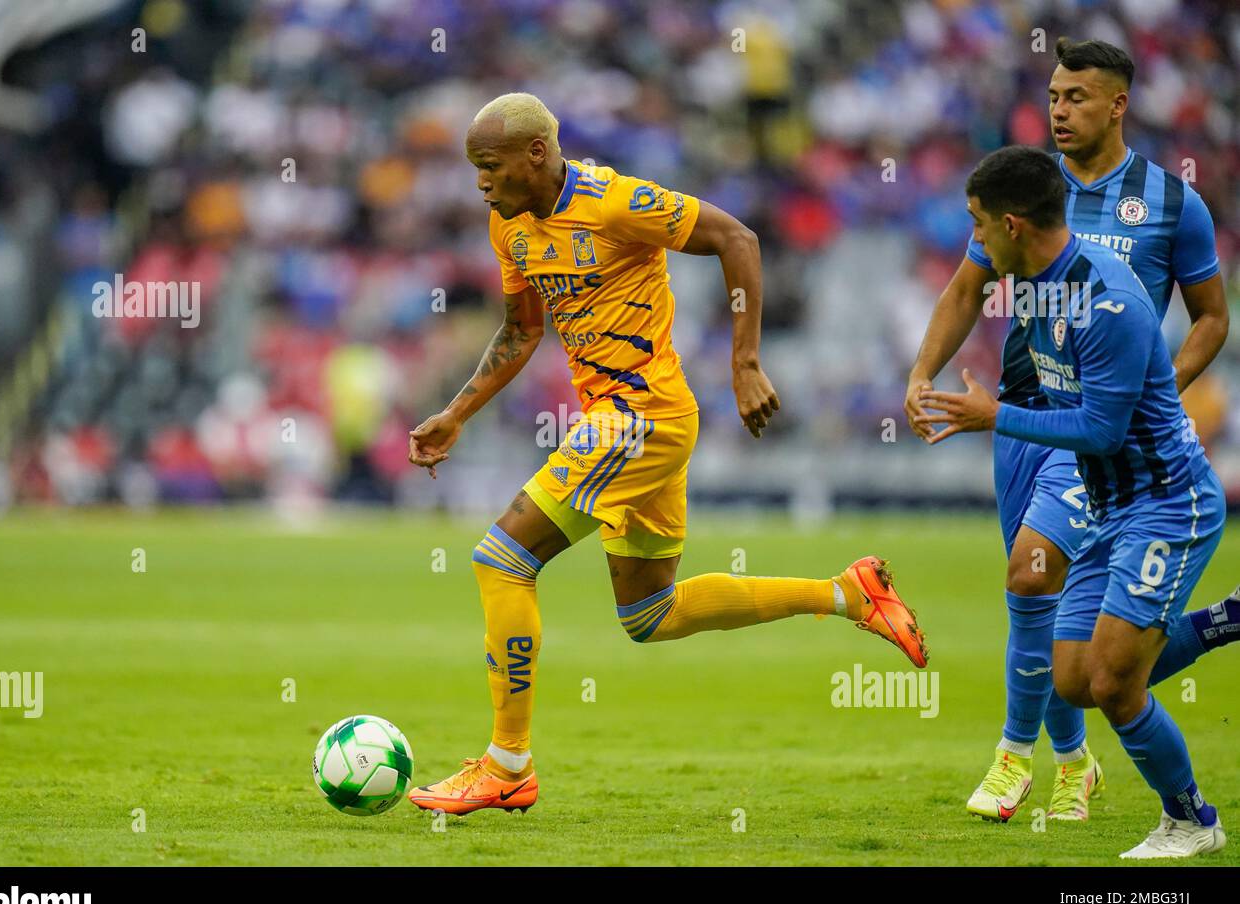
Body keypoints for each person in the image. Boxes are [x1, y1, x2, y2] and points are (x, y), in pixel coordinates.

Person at [406, 92, 927, 815]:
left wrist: (745, 362)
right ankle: (848, 593)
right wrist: (456, 413)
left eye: (489, 166)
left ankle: (507, 764)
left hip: (637, 417)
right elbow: (521, 332)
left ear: (536, 153)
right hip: (630, 421)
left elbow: (736, 238)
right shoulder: (510, 226)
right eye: (474, 170)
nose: (481, 183)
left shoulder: (617, 201)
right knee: (650, 614)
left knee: (502, 559)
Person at [904, 39, 1235, 824]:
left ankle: (1014, 756)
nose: (1059, 109)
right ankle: (1072, 758)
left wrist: (1157, 397)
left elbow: (1211, 319)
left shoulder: (1168, 202)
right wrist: (921, 376)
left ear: (1118, 104)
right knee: (1057, 633)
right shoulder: (1026, 192)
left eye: (1078, 97)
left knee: (1029, 570)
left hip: (1090, 431)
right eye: (1053, 94)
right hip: (1023, 423)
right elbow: (963, 288)